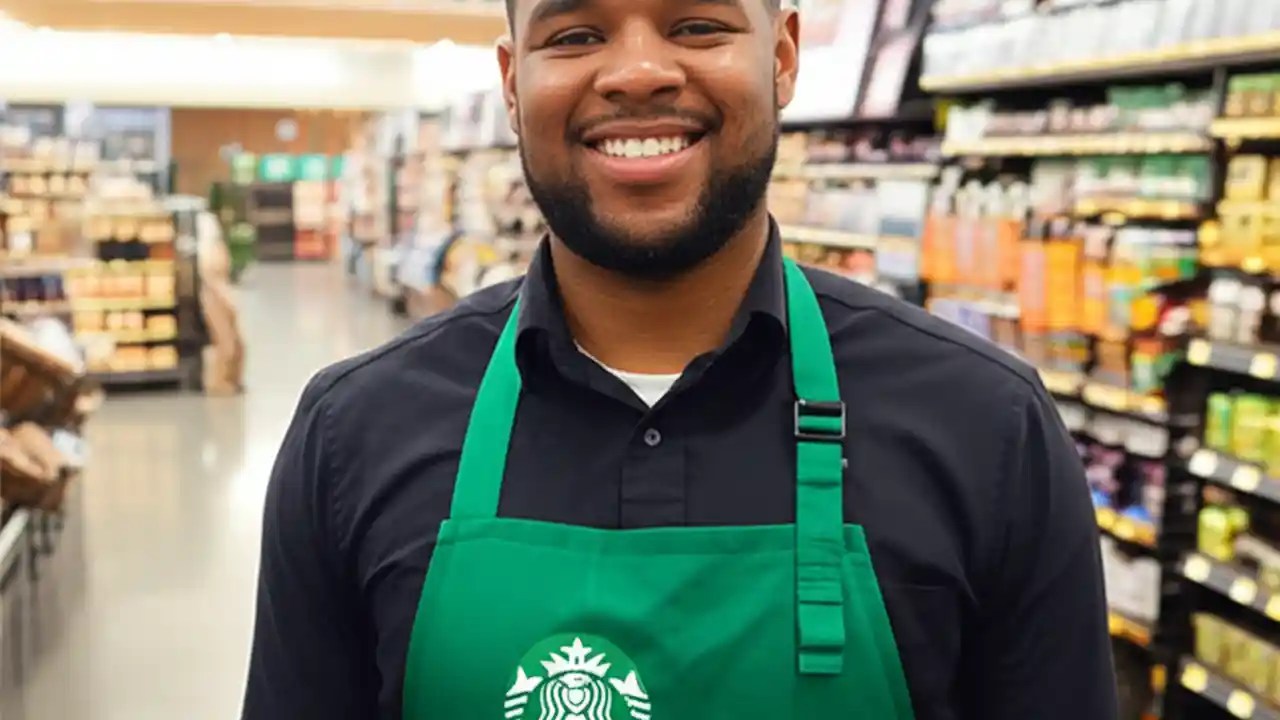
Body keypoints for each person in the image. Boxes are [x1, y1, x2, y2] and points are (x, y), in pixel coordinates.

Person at [241, 0, 1120, 717]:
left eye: (697, 26)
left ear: (782, 56)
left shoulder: (986, 424)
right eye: (576, 34)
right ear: (513, 83)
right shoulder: (352, 433)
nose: (637, 72)